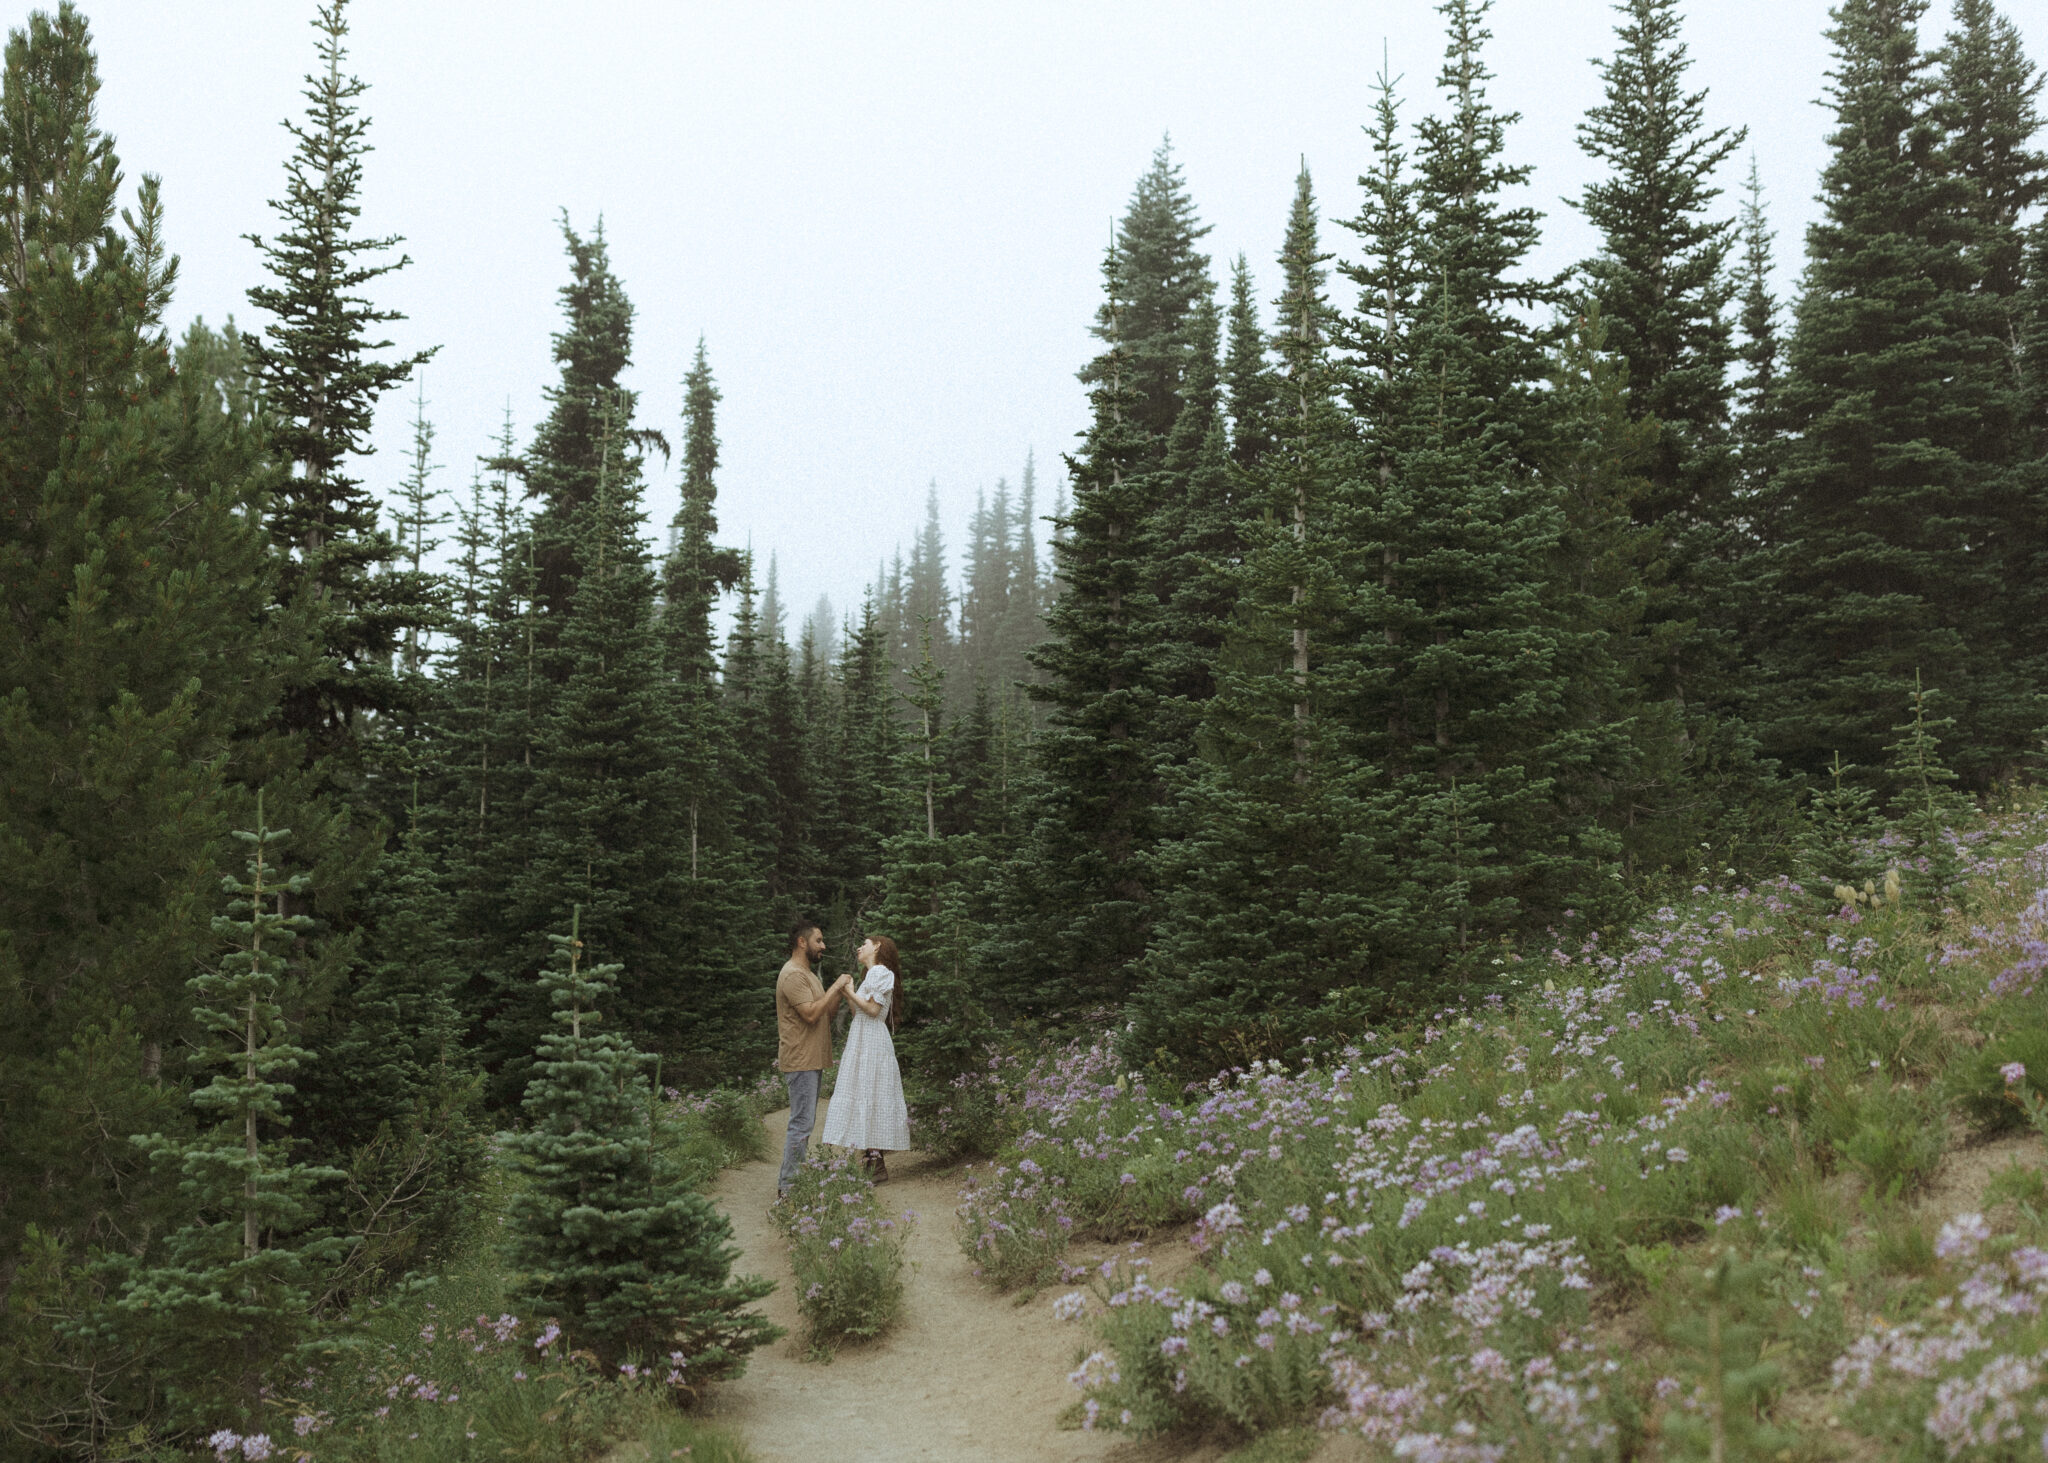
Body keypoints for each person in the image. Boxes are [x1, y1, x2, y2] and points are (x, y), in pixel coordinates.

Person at [819, 934, 912, 1182]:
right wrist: (850, 992)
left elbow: (872, 1010)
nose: (859, 948)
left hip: (872, 1039)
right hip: (861, 1038)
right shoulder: (869, 976)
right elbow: (857, 1010)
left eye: (865, 943)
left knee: (871, 1093)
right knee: (863, 1093)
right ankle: (872, 1162)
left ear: (877, 947)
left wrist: (848, 991)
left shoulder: (882, 972)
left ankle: (875, 1163)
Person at [774, 920, 851, 1199]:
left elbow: (824, 1016)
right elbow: (809, 1014)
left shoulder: (808, 975)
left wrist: (839, 994)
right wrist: (835, 987)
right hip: (801, 1060)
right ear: (802, 942)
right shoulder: (794, 975)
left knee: (805, 1122)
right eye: (818, 940)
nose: (824, 945)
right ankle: (788, 1188)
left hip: (811, 1060)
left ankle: (792, 1181)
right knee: (801, 1123)